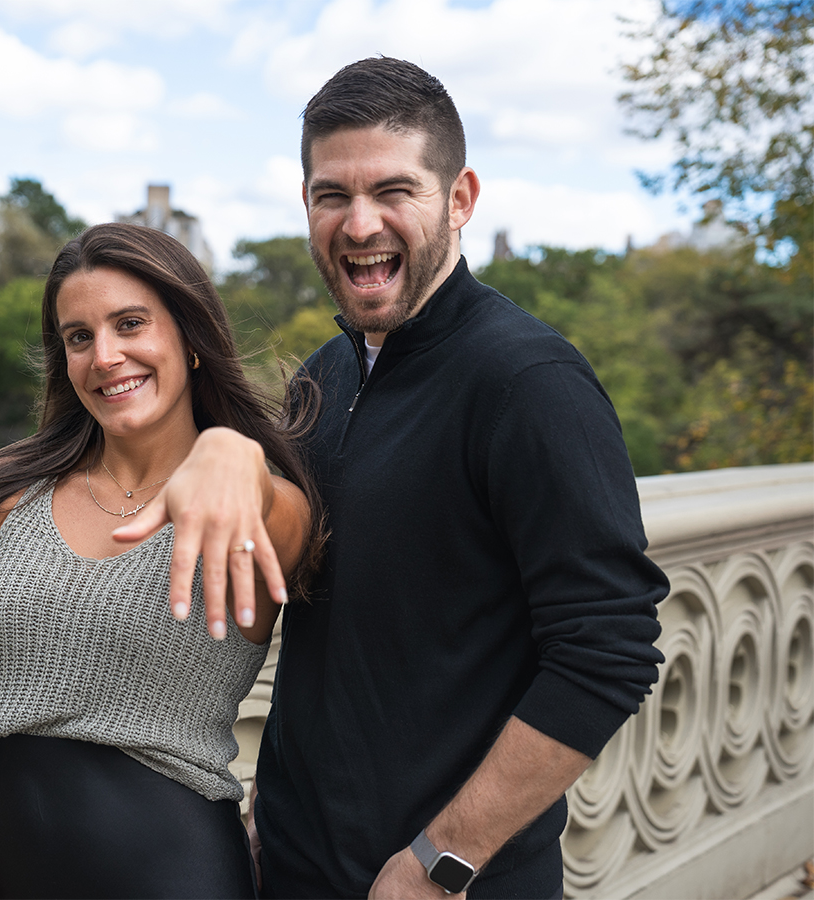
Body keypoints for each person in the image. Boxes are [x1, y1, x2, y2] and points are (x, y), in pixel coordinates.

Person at [115, 58, 669, 898]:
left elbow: (609, 653)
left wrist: (440, 861)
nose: (359, 222)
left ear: (460, 198)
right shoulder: (323, 375)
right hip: (293, 870)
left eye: (394, 191)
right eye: (332, 194)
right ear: (306, 205)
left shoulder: (530, 382)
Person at [0, 222, 321, 899]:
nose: (105, 356)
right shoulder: (5, 500)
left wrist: (229, 452)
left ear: (190, 341)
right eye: (79, 337)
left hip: (177, 873)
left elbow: (273, 506)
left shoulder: (256, 508)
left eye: (131, 324)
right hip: (3, 872)